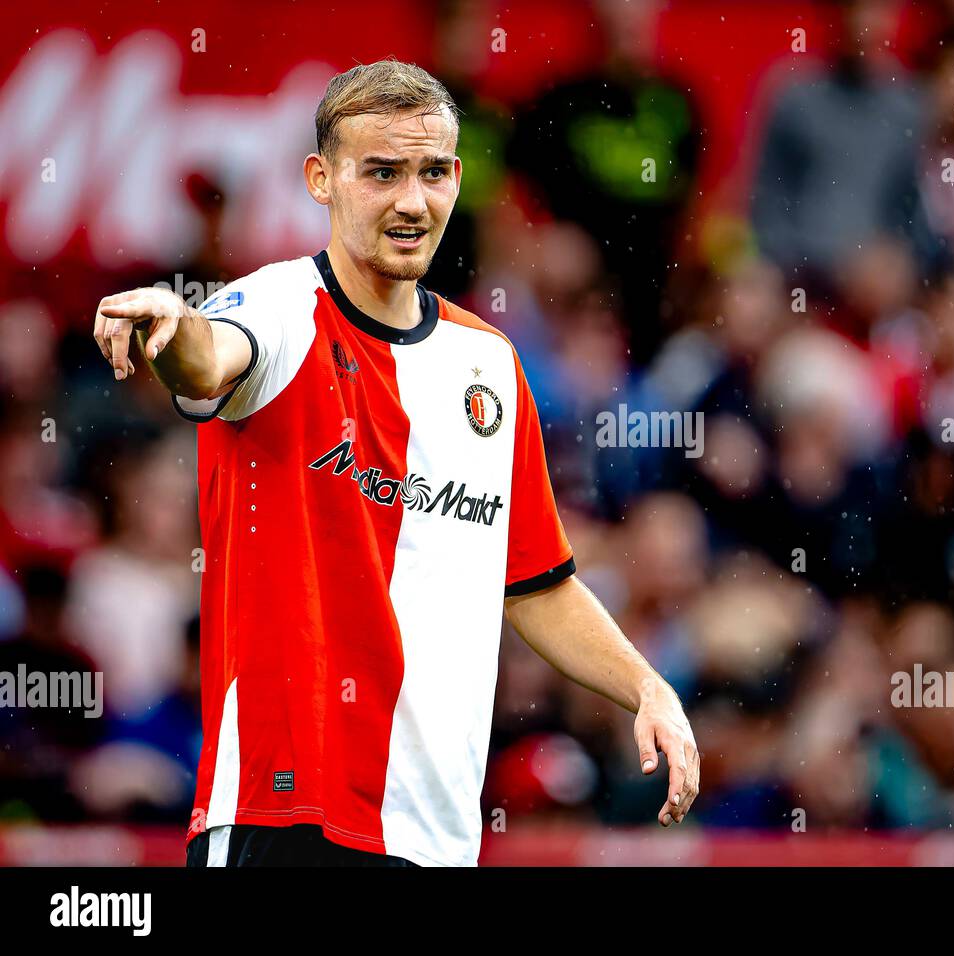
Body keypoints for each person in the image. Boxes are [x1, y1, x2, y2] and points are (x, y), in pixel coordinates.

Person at [89, 59, 699, 867]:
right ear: (322, 178)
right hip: (286, 823)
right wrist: (177, 320)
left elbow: (535, 583)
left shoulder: (490, 365)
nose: (414, 202)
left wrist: (646, 686)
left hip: (437, 839)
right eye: (382, 172)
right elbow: (208, 359)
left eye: (434, 172)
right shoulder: (276, 308)